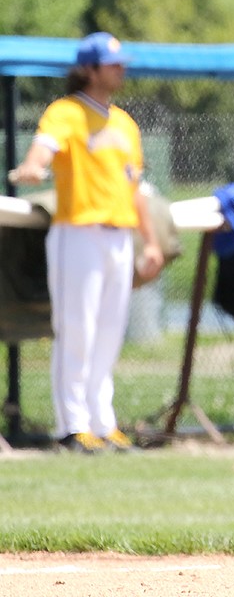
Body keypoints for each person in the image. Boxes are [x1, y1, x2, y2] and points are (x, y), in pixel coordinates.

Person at [10, 32, 164, 454]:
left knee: (109, 332)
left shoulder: (124, 124)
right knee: (76, 328)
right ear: (89, 69)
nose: (121, 69)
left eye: (121, 62)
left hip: (118, 236)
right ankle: (72, 425)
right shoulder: (67, 112)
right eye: (112, 63)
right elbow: (43, 148)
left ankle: (102, 422)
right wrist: (32, 167)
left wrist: (149, 242)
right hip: (77, 231)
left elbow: (135, 190)